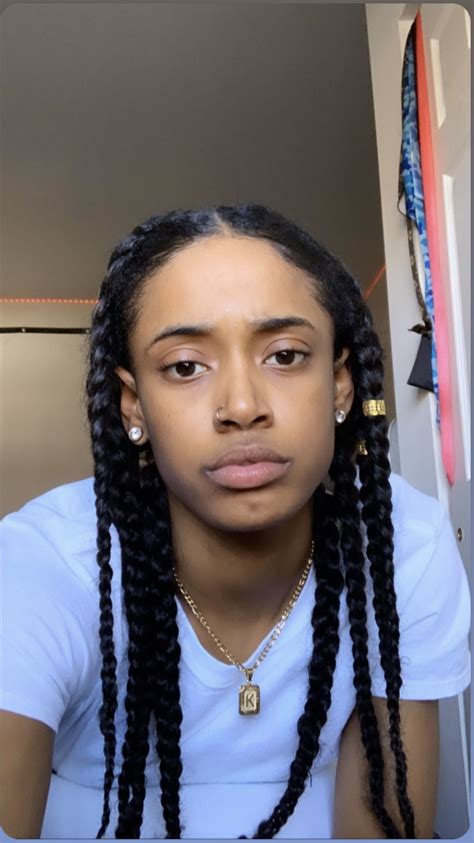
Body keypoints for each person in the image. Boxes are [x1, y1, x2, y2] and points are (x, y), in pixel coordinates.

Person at [0, 203, 470, 840]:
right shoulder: (45, 563)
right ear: (133, 406)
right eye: (185, 366)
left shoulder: (401, 545)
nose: (242, 407)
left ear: (339, 385)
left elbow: (383, 827)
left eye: (285, 355)